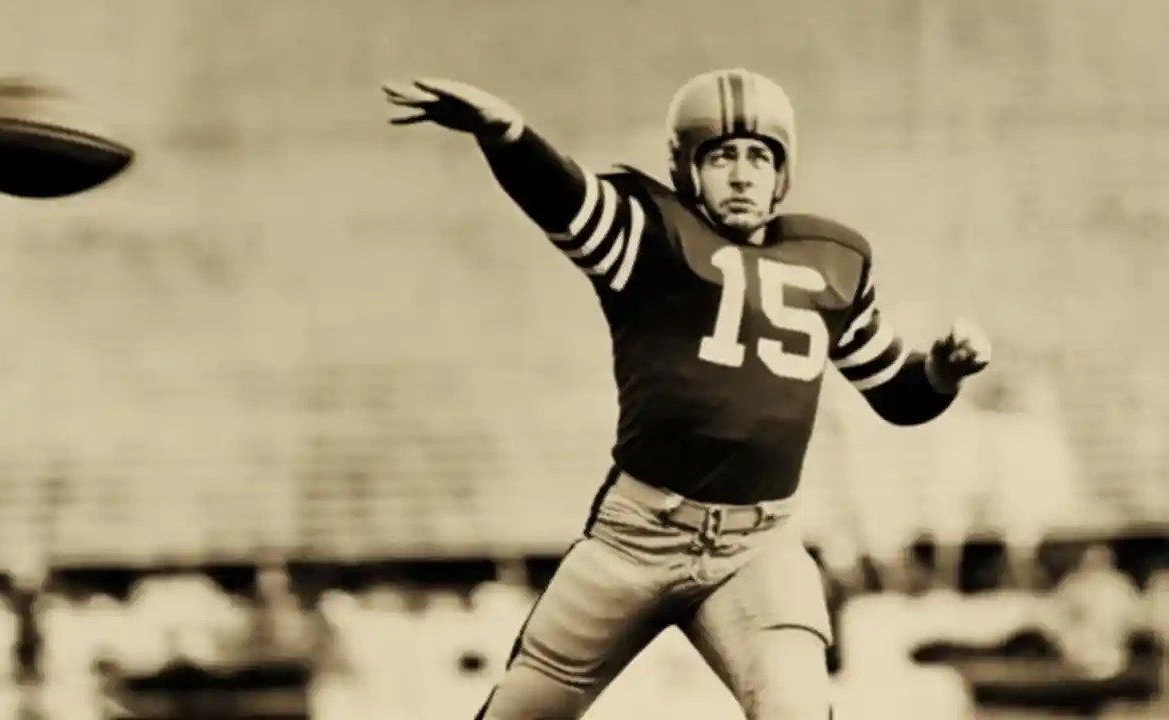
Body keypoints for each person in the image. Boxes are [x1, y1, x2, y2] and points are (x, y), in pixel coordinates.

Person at [382, 68, 992, 720]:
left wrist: (943, 371)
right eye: (721, 154)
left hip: (757, 547)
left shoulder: (831, 261)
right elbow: (564, 197)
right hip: (634, 539)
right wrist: (507, 134)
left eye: (759, 155)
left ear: (783, 172)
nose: (741, 173)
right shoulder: (651, 237)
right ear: (685, 168)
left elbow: (898, 391)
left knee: (798, 710)